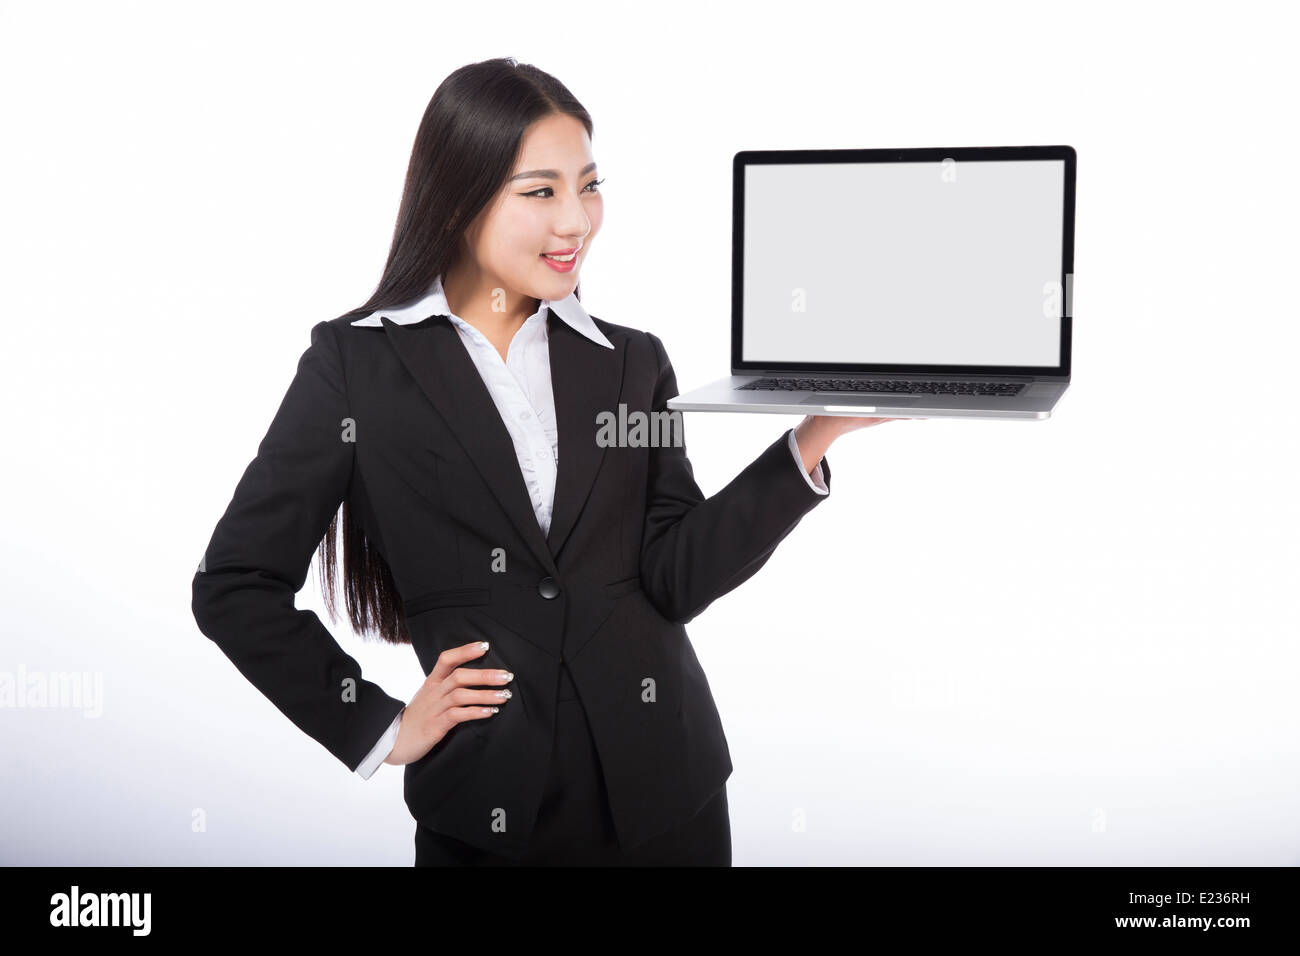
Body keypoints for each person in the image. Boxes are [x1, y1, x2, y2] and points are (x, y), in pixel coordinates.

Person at [191, 57, 896, 867]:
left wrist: (815, 436)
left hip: (672, 798)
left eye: (589, 186)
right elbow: (235, 583)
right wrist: (379, 725)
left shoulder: (633, 363)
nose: (577, 222)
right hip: (490, 816)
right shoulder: (355, 368)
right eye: (541, 192)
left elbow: (672, 578)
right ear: (458, 199)